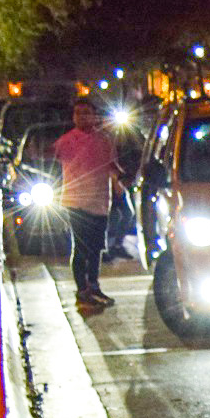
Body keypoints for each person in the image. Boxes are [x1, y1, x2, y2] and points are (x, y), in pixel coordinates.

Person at [52, 98, 121, 313]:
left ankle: (94, 286)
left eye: (86, 112)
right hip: (76, 202)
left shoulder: (104, 140)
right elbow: (50, 165)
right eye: (78, 113)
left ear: (94, 115)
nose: (82, 117)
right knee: (81, 247)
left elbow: (113, 167)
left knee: (96, 248)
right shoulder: (65, 141)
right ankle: (82, 289)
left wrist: (120, 183)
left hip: (100, 202)